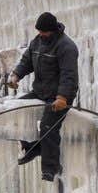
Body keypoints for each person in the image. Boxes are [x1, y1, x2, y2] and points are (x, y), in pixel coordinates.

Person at [6, 12, 80, 183]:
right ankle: (31, 148)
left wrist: (62, 98)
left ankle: (50, 169)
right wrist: (16, 75)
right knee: (17, 110)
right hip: (40, 92)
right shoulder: (37, 42)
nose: (41, 35)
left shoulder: (66, 47)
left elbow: (69, 76)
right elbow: (27, 61)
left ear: (52, 30)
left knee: (48, 126)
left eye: (43, 32)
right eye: (39, 32)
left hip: (60, 96)